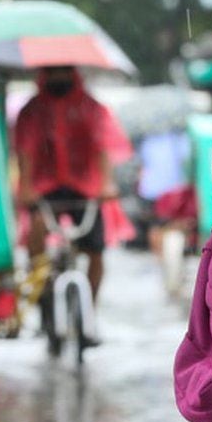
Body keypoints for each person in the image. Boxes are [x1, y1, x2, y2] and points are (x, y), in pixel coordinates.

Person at [13, 66, 128, 304]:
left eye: (64, 72)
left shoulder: (91, 108)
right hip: (44, 188)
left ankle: (89, 307)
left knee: (96, 250)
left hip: (85, 187)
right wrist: (25, 187)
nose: (58, 77)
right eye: (53, 72)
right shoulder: (32, 111)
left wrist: (106, 184)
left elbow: (102, 144)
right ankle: (42, 290)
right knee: (36, 230)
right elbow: (25, 149)